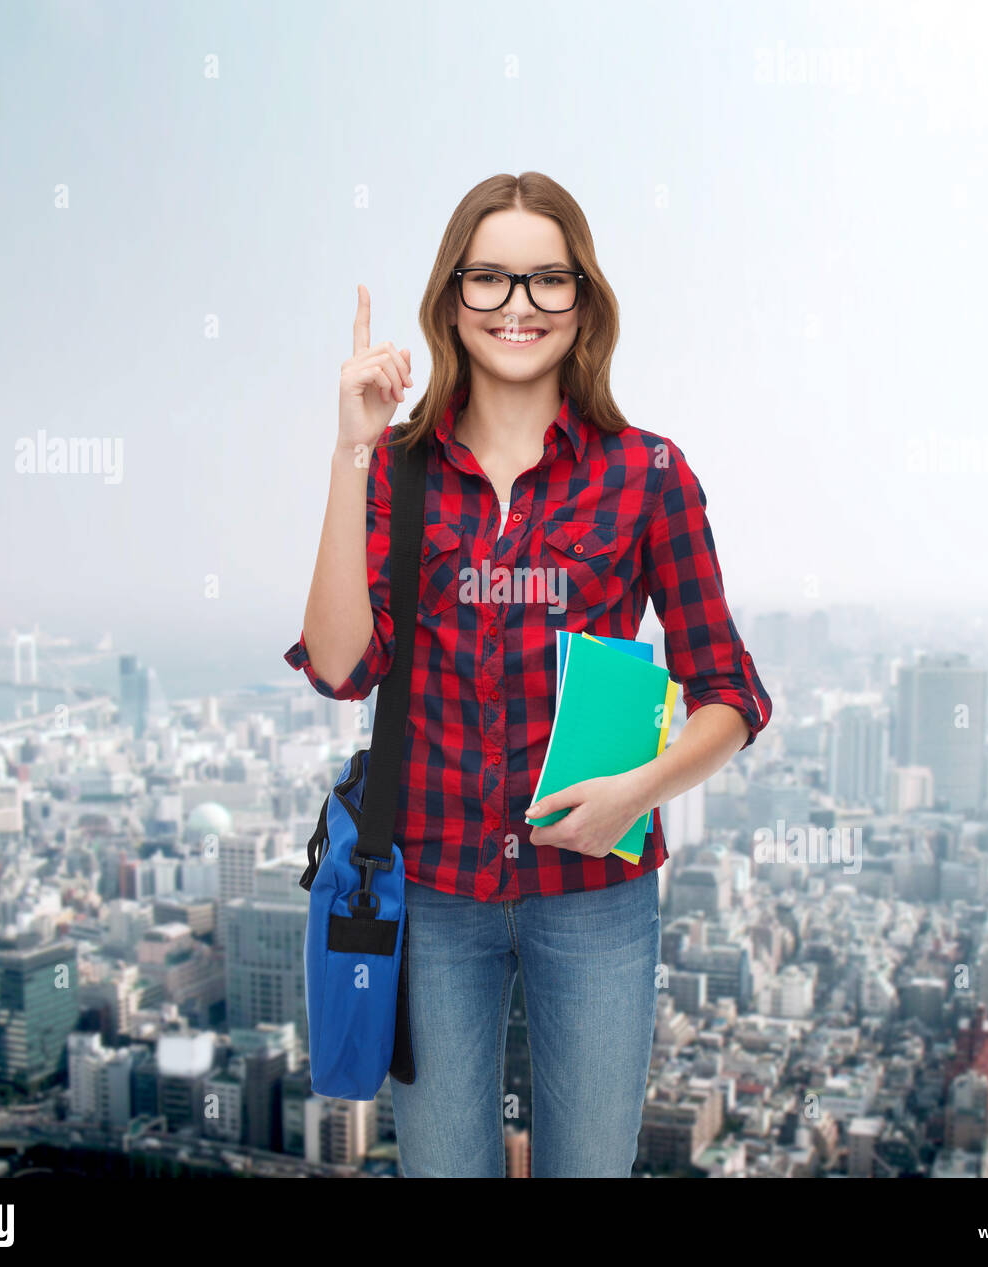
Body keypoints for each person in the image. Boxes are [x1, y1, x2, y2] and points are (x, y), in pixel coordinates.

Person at [286, 171, 772, 1177]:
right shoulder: (396, 471)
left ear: (583, 302)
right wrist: (349, 452)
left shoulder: (647, 474)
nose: (517, 306)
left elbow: (729, 692)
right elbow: (340, 668)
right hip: (433, 893)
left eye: (547, 280)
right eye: (491, 280)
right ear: (450, 302)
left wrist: (633, 795)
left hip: (592, 892)